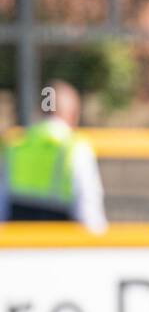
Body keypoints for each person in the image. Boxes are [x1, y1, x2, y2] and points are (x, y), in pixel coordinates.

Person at [0, 80, 107, 232]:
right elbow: (89, 208)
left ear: (40, 109)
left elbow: (2, 203)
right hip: (58, 246)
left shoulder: (16, 144)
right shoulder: (75, 147)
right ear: (72, 113)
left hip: (19, 246)